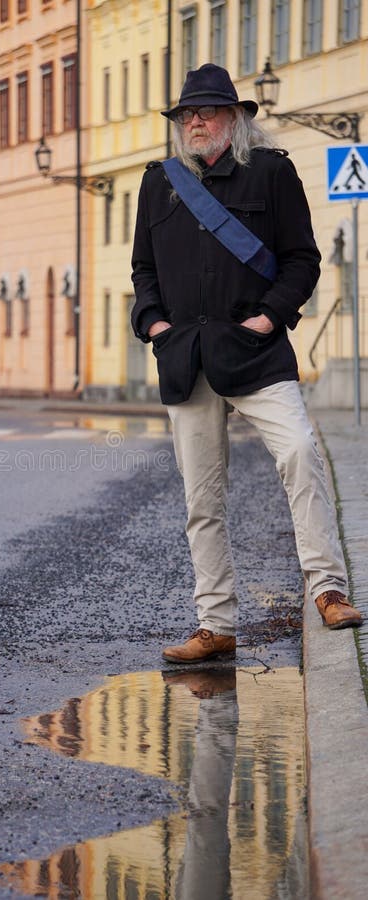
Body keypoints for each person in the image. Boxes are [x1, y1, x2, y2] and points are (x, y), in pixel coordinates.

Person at [131, 63, 363, 664]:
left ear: (235, 119)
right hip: (187, 360)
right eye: (187, 114)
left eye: (208, 111)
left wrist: (267, 318)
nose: (197, 121)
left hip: (258, 355)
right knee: (202, 500)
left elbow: (302, 261)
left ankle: (329, 589)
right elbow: (144, 271)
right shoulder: (158, 182)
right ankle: (216, 625)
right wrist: (154, 325)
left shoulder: (274, 172)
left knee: (301, 455)